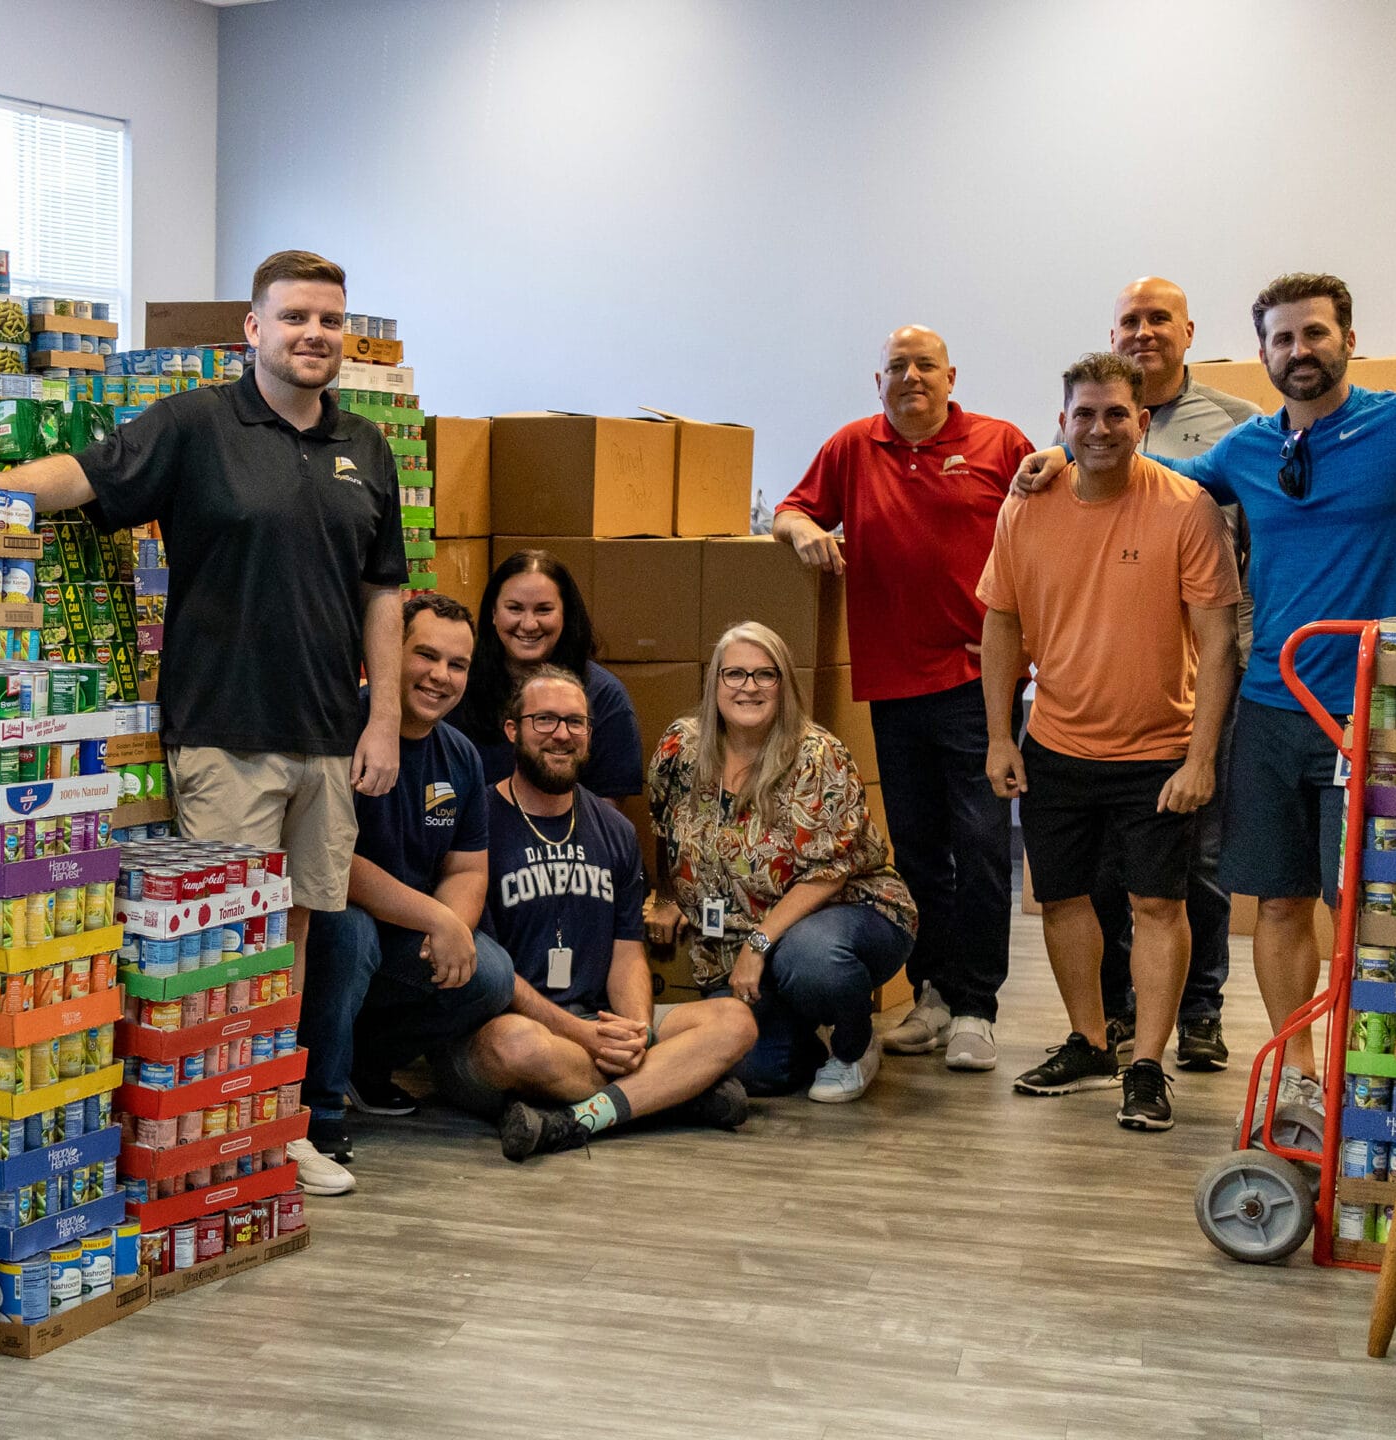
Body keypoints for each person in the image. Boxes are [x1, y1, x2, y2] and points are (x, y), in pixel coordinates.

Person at [0, 249, 408, 1186]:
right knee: (230, 942)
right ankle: (220, 1133)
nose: (315, 335)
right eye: (295, 317)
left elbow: (385, 593)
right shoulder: (197, 425)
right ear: (252, 330)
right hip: (224, 730)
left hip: (330, 737)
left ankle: (274, 1118)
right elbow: (89, 474)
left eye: (330, 321)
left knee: (295, 933)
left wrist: (378, 720)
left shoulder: (367, 449)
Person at [1015, 274, 1396, 1118]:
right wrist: (1061, 456)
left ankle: (1378, 1079)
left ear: (1348, 337)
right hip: (1272, 704)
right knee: (1278, 899)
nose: (1299, 352)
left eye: (1314, 334)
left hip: (1385, 716)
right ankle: (1299, 1070)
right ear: (1261, 350)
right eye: (1282, 339)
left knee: (1376, 909)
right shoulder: (1250, 451)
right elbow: (1157, 475)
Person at [982, 352, 1241, 1132]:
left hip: (1158, 749)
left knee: (1158, 906)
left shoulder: (1186, 507)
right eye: (1084, 415)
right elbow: (1001, 622)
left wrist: (1200, 758)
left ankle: (1149, 1065)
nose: (1099, 429)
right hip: (1056, 742)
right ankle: (1091, 1043)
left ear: (1145, 422)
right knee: (1060, 900)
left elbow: (1219, 641)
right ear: (1061, 424)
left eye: (1116, 415)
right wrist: (1002, 736)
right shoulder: (1025, 505)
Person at [773, 325, 1033, 1074]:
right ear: (877, 380)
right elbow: (794, 508)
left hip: (977, 681)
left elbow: (1053, 536)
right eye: (897, 367)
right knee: (919, 850)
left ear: (952, 374)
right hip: (891, 683)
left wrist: (1033, 642)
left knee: (984, 847)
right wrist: (802, 534)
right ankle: (933, 996)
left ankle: (978, 1007)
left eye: (926, 365)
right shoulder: (854, 446)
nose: (912, 377)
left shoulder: (998, 442)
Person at [431, 667, 758, 1161]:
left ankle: (577, 1117)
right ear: (512, 730)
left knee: (736, 1020)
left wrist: (636, 1032)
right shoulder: (477, 822)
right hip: (504, 1028)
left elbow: (627, 953)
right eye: (544, 720)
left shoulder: (615, 829)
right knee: (517, 1045)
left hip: (596, 1022)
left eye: (575, 722)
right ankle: (669, 1094)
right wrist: (582, 1034)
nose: (561, 734)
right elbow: (489, 970)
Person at [1091, 278, 1263, 1074]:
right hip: (1108, 679)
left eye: (1160, 318)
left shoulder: (1239, 426)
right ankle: (1121, 1011)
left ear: (1190, 330)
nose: (1144, 331)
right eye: (1131, 319)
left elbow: (1263, 542)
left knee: (1200, 852)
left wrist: (1241, 646)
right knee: (1110, 860)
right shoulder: (1088, 430)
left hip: (1204, 678)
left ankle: (1199, 1012)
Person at [296, 593, 516, 1195]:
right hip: (327, 926)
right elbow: (331, 864)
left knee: (489, 973)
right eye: (425, 655)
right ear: (389, 654)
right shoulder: (342, 726)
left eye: (458, 664)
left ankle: (366, 1066)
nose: (440, 677)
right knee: (348, 930)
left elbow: (469, 868)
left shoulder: (461, 755)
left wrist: (455, 929)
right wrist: (437, 921)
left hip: (405, 938)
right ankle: (315, 1111)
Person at [643, 622, 918, 1103]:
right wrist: (668, 898)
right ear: (714, 684)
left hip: (847, 915)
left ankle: (855, 1047)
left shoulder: (818, 756)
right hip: (730, 944)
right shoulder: (679, 749)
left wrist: (759, 943)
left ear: (784, 684)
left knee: (810, 961)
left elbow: (830, 872)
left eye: (764, 675)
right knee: (757, 1070)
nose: (748, 687)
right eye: (734, 674)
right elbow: (664, 827)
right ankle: (801, 1028)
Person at [444, 549, 645, 805]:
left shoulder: (604, 695)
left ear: (565, 614)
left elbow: (606, 811)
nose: (528, 624)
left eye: (543, 610)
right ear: (493, 613)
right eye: (514, 608)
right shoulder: (459, 685)